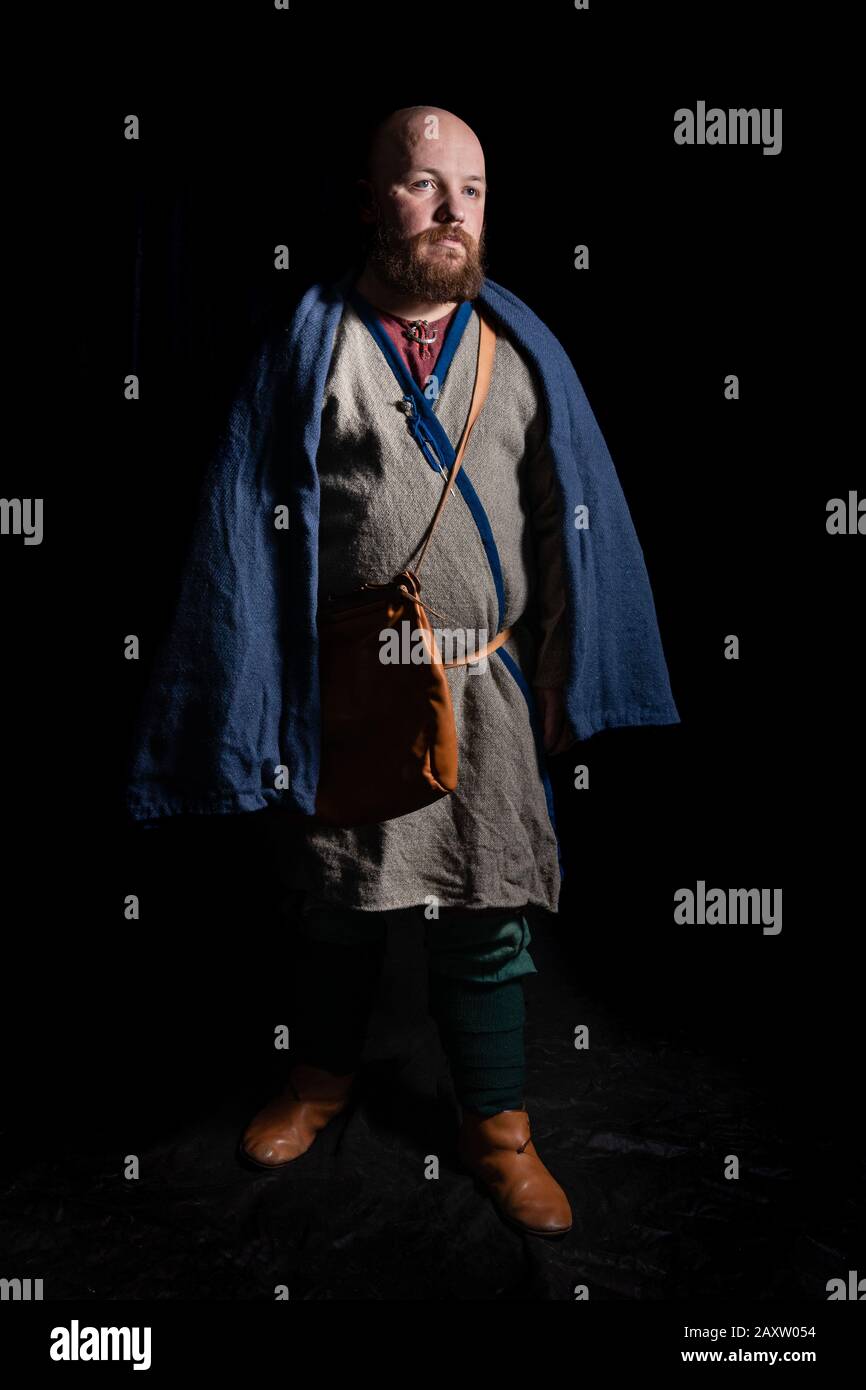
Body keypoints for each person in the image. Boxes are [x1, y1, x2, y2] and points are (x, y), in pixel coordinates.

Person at [126, 104, 680, 1240]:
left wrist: (574, 674)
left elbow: (564, 526)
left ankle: (497, 1132)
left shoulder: (524, 351)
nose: (449, 210)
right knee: (331, 901)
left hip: (483, 691)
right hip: (347, 692)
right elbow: (243, 529)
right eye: (423, 185)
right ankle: (319, 1083)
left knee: (484, 911)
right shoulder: (307, 343)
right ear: (373, 199)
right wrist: (255, 692)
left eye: (470, 189)